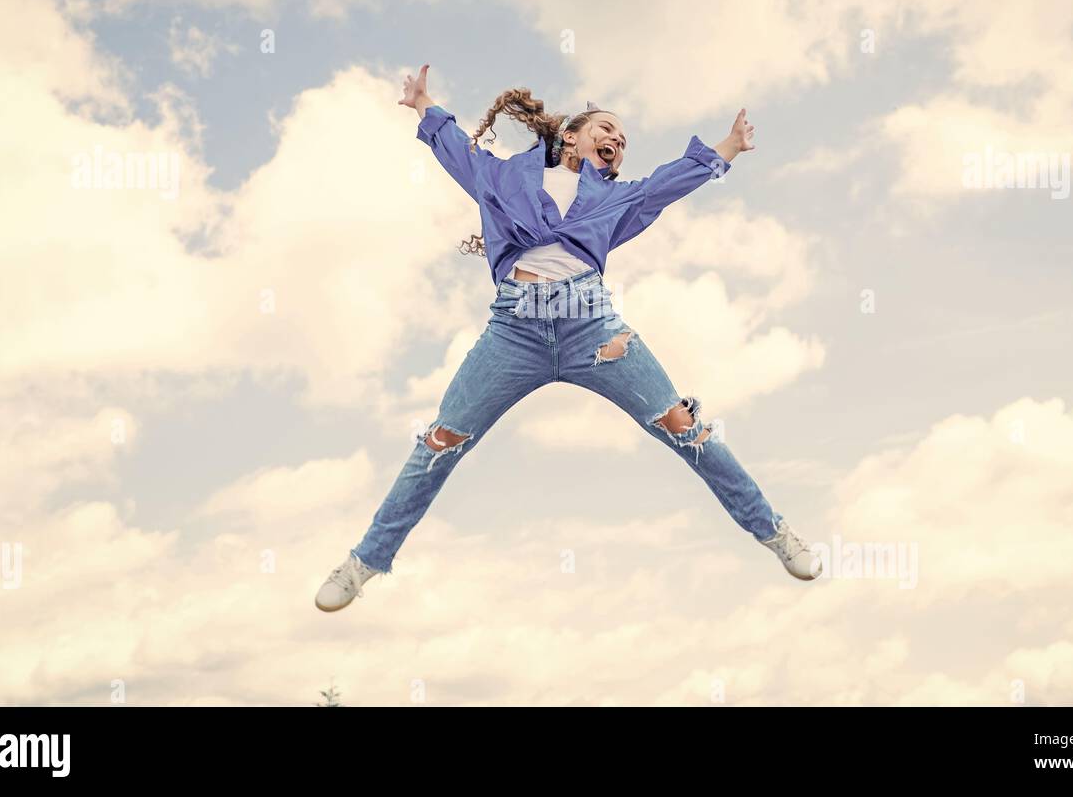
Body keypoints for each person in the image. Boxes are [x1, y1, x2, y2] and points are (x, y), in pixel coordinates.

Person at [315, 64, 821, 612]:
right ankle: (363, 563)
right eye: (605, 128)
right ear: (571, 136)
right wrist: (422, 105)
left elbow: (667, 184)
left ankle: (774, 532)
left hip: (593, 327)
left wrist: (730, 145)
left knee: (685, 426)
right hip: (514, 330)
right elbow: (457, 150)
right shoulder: (504, 177)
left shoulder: (617, 198)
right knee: (439, 442)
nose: (616, 140)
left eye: (623, 140)